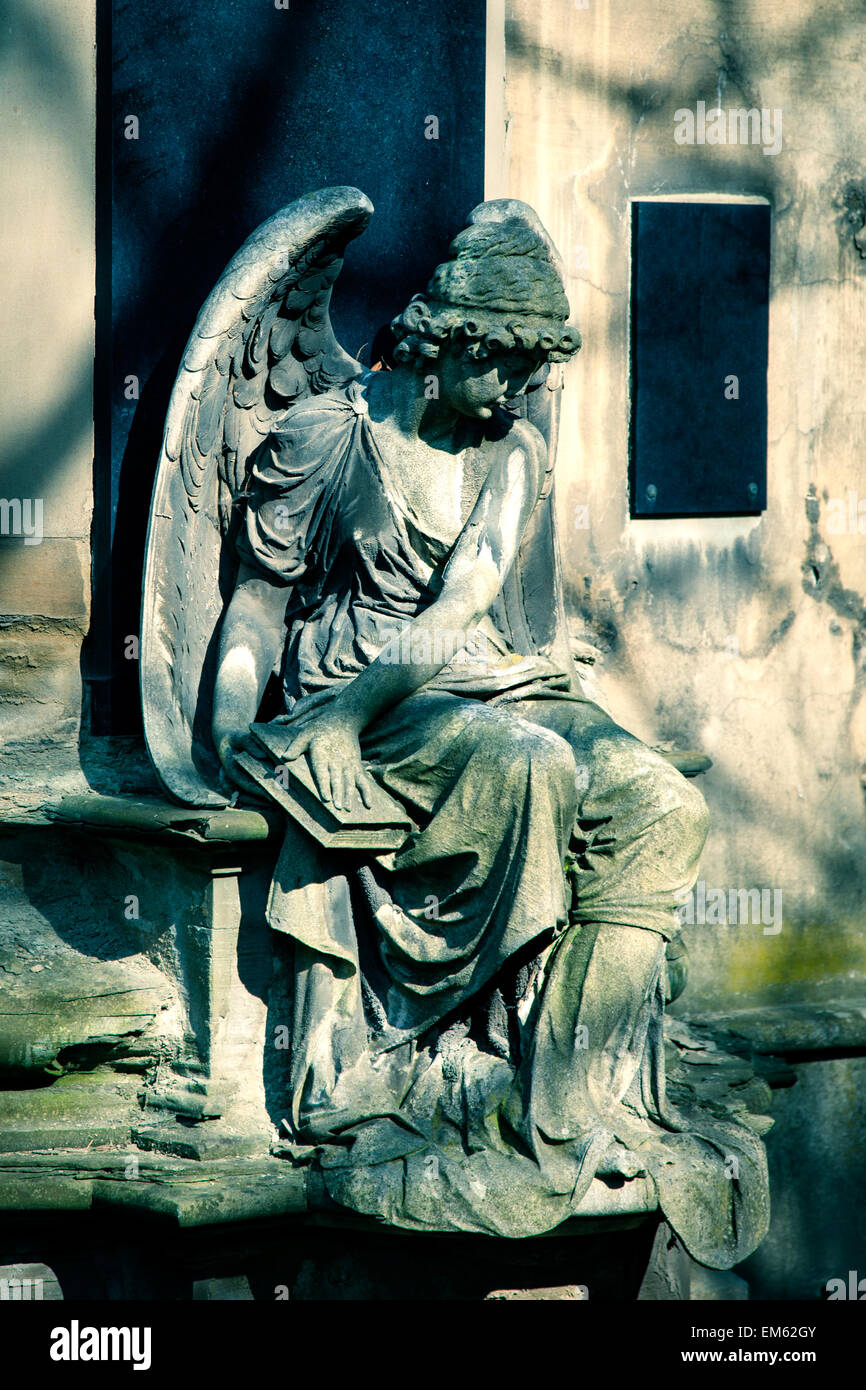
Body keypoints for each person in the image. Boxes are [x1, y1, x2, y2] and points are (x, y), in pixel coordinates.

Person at [209, 203, 763, 1262]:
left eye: (529, 370)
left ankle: (555, 1107)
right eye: (500, 365)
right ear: (442, 343)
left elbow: (460, 607)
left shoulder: (512, 452)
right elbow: (255, 602)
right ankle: (479, 1073)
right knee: (532, 765)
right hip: (357, 691)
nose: (516, 392)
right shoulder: (329, 436)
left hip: (465, 675)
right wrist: (231, 741)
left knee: (660, 804)